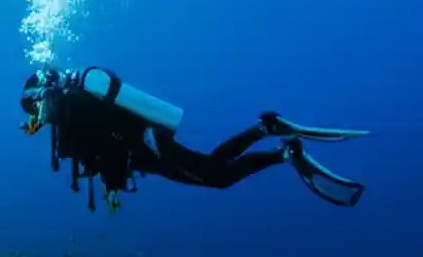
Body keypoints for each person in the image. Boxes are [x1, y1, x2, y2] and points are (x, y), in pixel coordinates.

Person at [20, 67, 368, 211]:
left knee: (217, 176)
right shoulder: (69, 114)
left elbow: (106, 141)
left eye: (32, 107)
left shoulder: (72, 104)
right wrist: (112, 186)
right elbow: (103, 147)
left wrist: (112, 183)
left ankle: (282, 150)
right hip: (146, 150)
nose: (34, 117)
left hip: (148, 145)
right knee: (214, 168)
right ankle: (267, 132)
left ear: (43, 94)